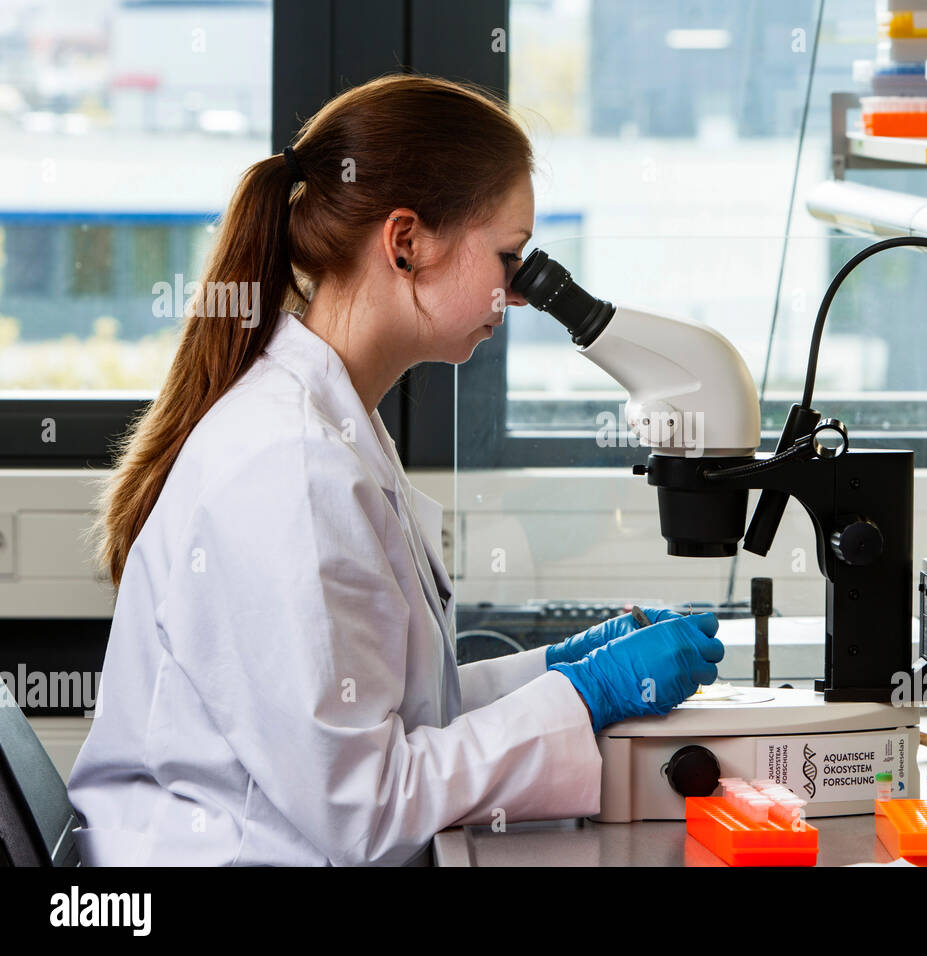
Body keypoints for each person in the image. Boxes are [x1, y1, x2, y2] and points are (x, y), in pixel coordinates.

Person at [67, 74, 725, 866]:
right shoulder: (291, 468)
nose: (516, 295)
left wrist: (558, 671)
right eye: (508, 257)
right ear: (405, 241)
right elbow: (365, 806)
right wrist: (584, 699)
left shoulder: (332, 421)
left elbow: (385, 719)